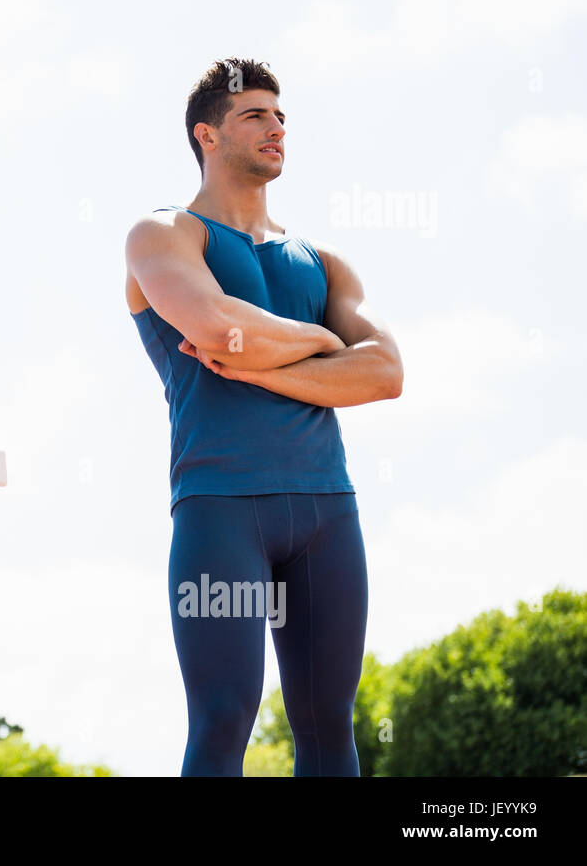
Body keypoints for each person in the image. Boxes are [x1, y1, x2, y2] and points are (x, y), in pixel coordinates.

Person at [123, 57, 403, 776]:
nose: (276, 128)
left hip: (326, 514)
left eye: (281, 117)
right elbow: (216, 329)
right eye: (255, 115)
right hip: (221, 511)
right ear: (207, 135)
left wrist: (260, 358)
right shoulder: (162, 235)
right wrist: (316, 340)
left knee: (326, 729)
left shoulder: (325, 261)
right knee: (223, 721)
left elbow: (384, 372)